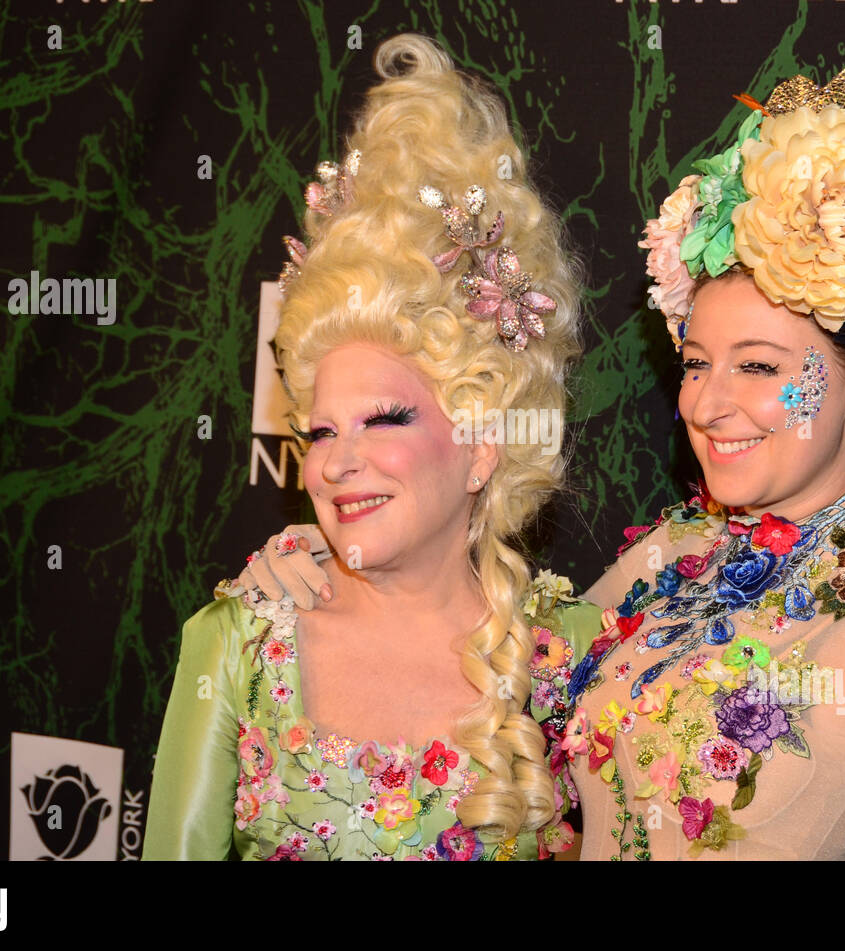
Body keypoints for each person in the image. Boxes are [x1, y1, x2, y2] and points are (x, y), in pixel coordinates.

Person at [250, 51, 845, 860]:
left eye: (760, 367)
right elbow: (477, 650)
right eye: (698, 363)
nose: (708, 405)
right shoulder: (676, 554)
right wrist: (340, 559)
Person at [142, 33, 602, 861]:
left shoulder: (581, 654)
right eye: (321, 430)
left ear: (481, 444)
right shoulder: (238, 644)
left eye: (384, 420)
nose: (335, 461)